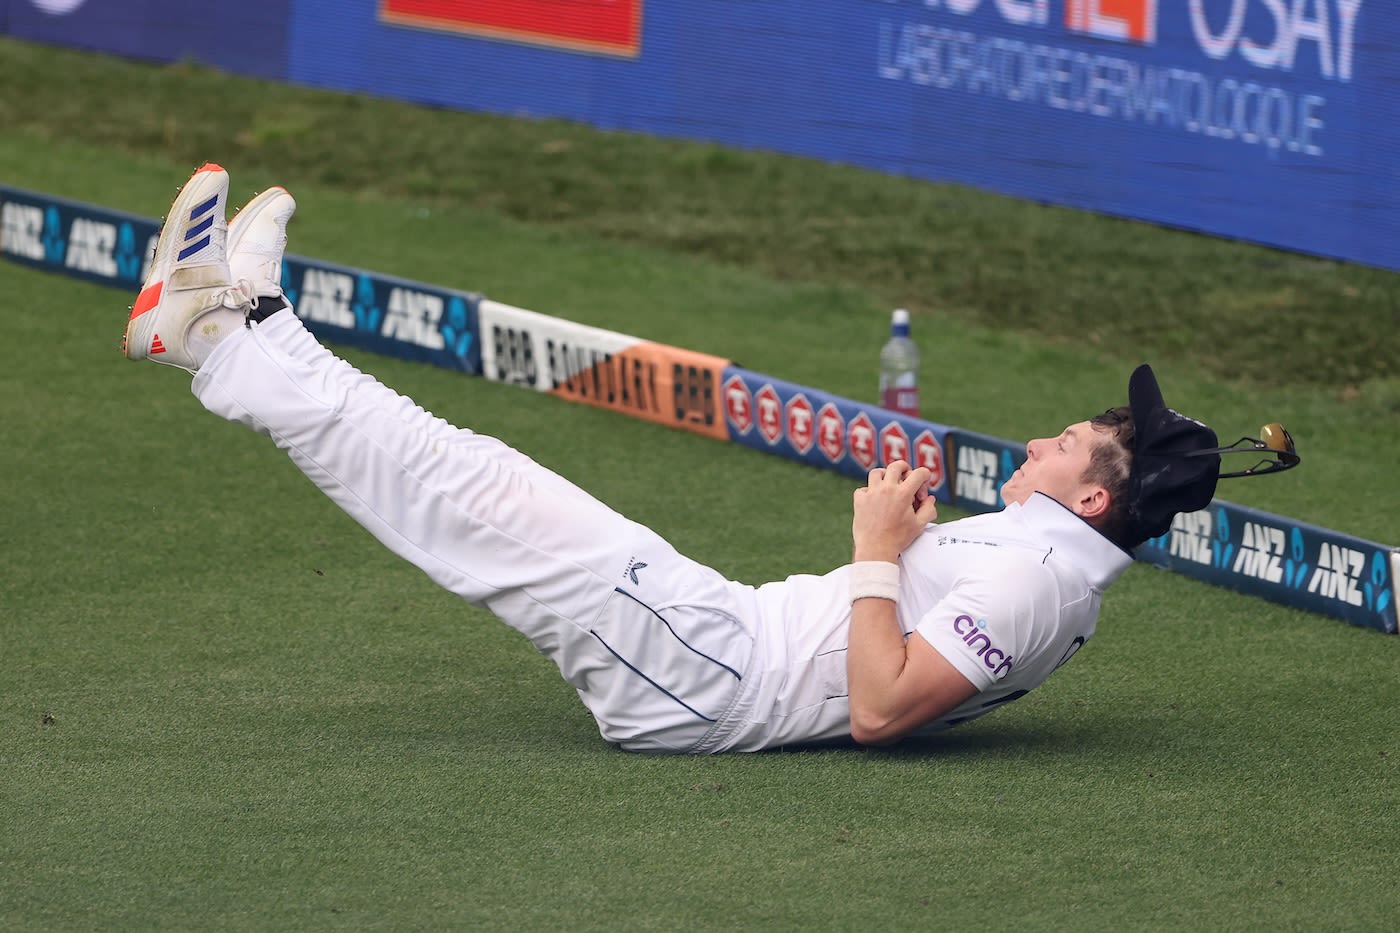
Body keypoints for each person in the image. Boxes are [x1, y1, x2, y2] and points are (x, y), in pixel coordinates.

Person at [122, 164, 1225, 754]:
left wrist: (877, 548)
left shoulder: (1039, 580)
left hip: (708, 682)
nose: (1036, 441)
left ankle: (226, 335)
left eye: (1064, 445)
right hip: (709, 638)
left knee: (452, 478)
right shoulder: (1050, 565)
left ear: (1090, 495)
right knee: (456, 471)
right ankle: (245, 326)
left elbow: (881, 710)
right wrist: (908, 558)